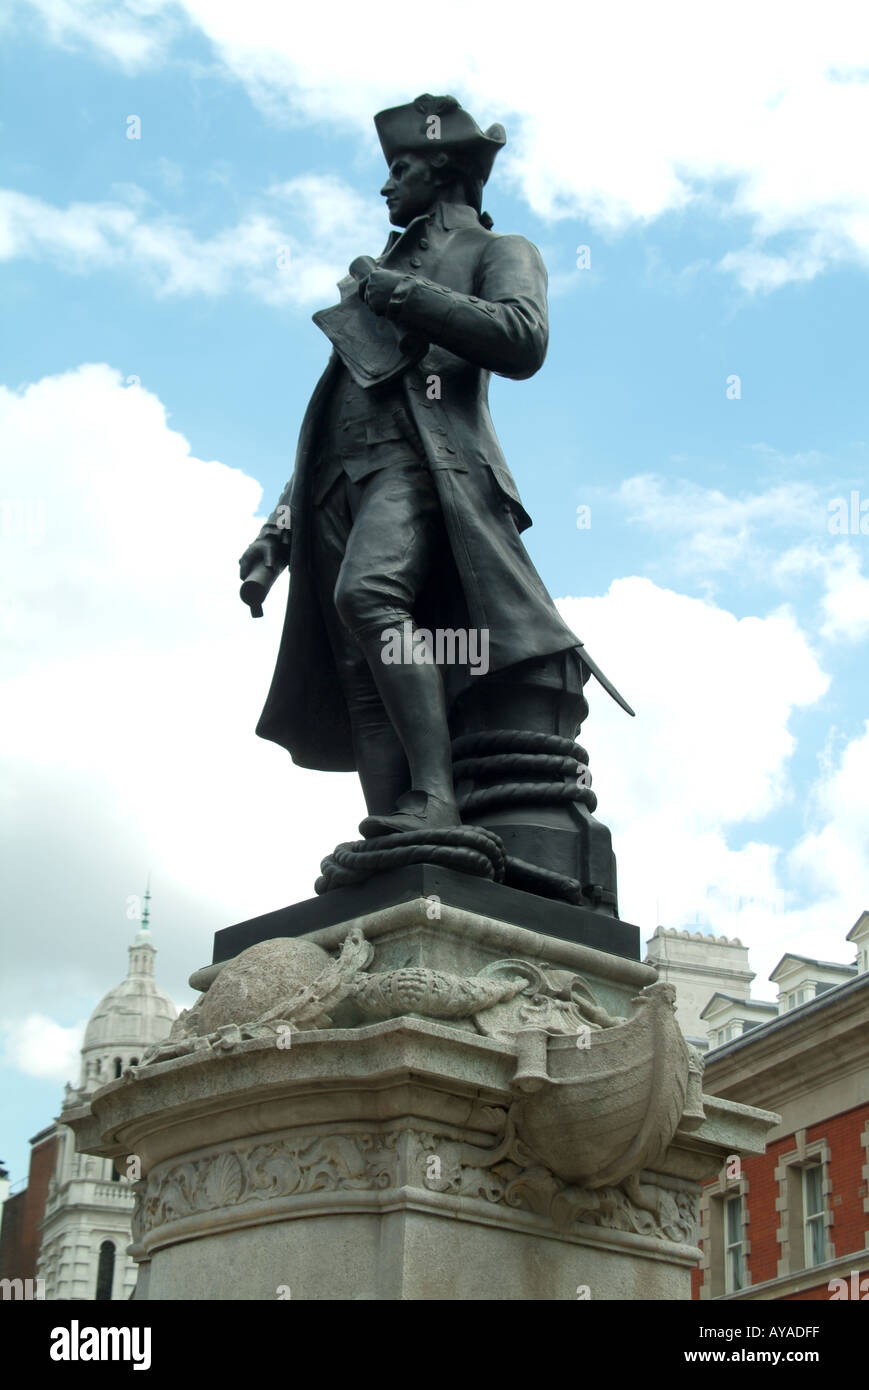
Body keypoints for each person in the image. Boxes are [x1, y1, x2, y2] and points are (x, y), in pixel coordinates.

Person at [239, 94, 631, 838]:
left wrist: (409, 297)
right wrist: (277, 531)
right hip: (334, 482)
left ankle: (436, 799)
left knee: (368, 599)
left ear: (442, 169)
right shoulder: (373, 276)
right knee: (357, 659)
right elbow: (337, 407)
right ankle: (398, 829)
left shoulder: (497, 249)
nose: (385, 187)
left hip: (425, 467)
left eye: (401, 169)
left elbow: (522, 340)